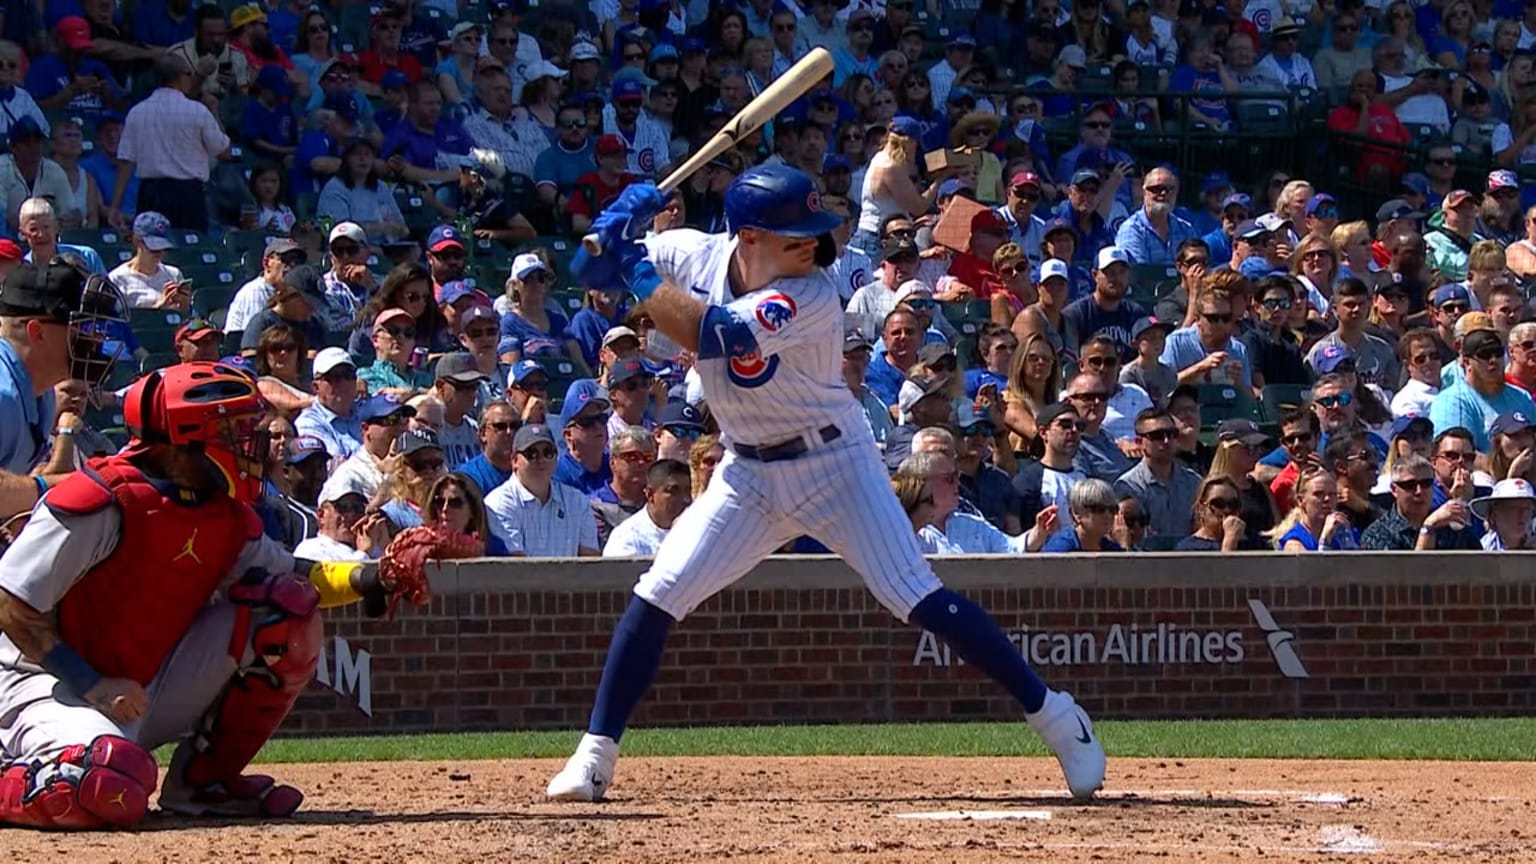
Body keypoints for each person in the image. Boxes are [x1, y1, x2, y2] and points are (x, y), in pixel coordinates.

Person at [546, 166, 1105, 804]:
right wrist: (611, 229)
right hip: (748, 473)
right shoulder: (692, 253)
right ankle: (593, 759)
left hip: (835, 465)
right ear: (748, 237)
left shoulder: (811, 293)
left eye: (814, 231)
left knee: (913, 594)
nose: (812, 244)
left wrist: (634, 269)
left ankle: (1060, 719)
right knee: (658, 591)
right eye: (795, 236)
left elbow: (714, 336)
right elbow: (586, 274)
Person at [0, 361, 446, 829]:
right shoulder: (102, 499)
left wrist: (374, 578)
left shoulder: (225, 513)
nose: (250, 442)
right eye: (233, 428)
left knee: (286, 613)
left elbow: (292, 575)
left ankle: (203, 783)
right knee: (111, 783)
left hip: (137, 687)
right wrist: (90, 682)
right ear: (184, 438)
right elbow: (11, 599)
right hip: (45, 684)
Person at [0, 260, 125, 519]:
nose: (97, 339)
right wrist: (57, 486)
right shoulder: (3, 393)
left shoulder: (41, 393)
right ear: (37, 332)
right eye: (83, 327)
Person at [110, 55, 231, 230]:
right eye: (189, 73)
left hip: (151, 194)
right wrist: (215, 112)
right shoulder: (197, 111)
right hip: (188, 194)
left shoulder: (138, 112)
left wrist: (115, 206)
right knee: (189, 251)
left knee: (150, 251)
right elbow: (223, 151)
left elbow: (125, 161)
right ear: (179, 77)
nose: (191, 79)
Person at [483, 424, 600, 556]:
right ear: (515, 460)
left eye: (547, 453)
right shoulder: (499, 502)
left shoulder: (577, 501)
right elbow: (514, 566)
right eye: (531, 453)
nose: (541, 459)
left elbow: (590, 561)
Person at [1114, 407, 1203, 540]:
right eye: (1157, 436)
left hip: (1189, 557)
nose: (1166, 441)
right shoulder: (1127, 486)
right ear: (1139, 442)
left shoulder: (1194, 482)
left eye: (1171, 433)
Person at [1359, 454, 1480, 550]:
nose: (1419, 491)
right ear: (1394, 490)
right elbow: (1411, 578)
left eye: (1426, 483)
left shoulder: (1451, 527)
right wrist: (1428, 528)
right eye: (1410, 485)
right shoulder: (1377, 534)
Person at [603, 459, 693, 557]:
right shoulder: (626, 537)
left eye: (688, 490)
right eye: (673, 491)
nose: (685, 499)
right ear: (650, 495)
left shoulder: (698, 530)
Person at [294, 347, 364, 460]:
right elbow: (333, 465)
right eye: (334, 377)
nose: (343, 383)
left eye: (348, 374)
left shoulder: (366, 409)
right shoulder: (308, 422)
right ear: (315, 387)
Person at [1267, 466, 1357, 551]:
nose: (1327, 499)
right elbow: (1315, 567)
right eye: (1318, 494)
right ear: (1301, 500)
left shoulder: (1342, 533)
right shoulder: (1294, 543)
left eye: (1332, 494)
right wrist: (1325, 541)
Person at [293, 482, 388, 561]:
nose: (351, 514)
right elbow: (341, 582)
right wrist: (364, 552)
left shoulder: (372, 546)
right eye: (342, 507)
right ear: (321, 515)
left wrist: (383, 538)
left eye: (357, 507)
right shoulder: (310, 548)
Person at [424, 472, 508, 556]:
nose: (445, 509)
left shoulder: (493, 548)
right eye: (439, 502)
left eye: (455, 503)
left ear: (472, 510)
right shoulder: (423, 545)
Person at [1040, 478, 1124, 552]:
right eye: (1099, 509)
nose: (1108, 515)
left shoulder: (1111, 548)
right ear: (1076, 513)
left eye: (1112, 509)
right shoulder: (1060, 548)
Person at [1175, 476, 1247, 551]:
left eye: (1233, 504)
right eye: (1218, 503)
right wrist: (1230, 540)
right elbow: (1224, 563)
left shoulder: (1252, 543)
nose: (1227, 510)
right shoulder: (1188, 548)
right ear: (1201, 509)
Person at [1471, 478, 1536, 551]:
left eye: (1527, 508)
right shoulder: (1482, 550)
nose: (1522, 514)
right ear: (1494, 515)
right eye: (1513, 508)